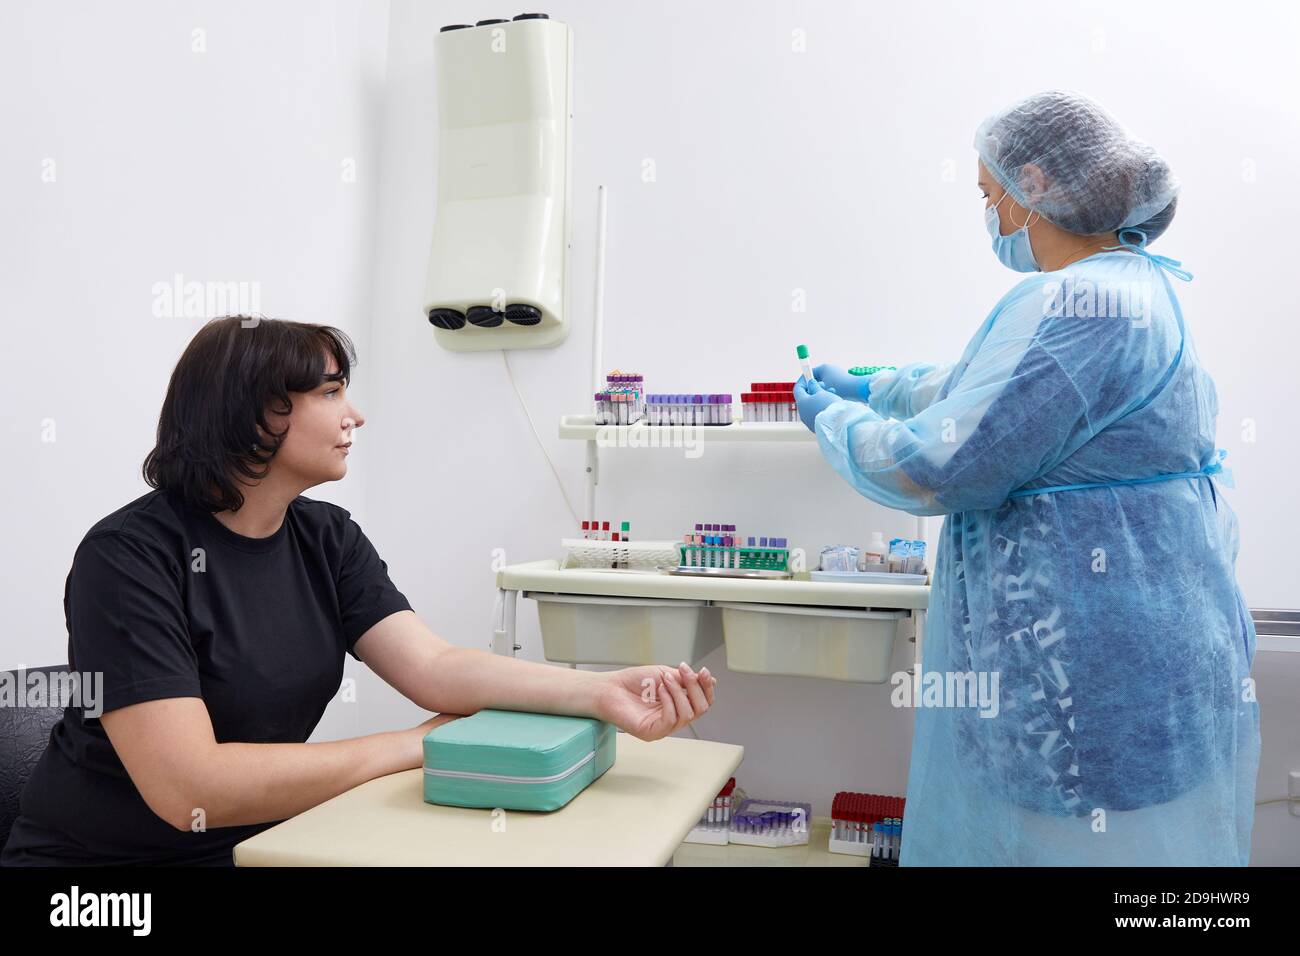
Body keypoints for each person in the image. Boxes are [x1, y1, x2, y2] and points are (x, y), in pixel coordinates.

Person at [2, 316, 716, 866]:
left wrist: (599, 693)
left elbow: (434, 669)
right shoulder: (129, 557)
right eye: (331, 391)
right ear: (255, 414)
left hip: (264, 848)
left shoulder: (324, 537)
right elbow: (192, 787)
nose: (355, 414)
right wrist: (411, 748)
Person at [794, 90, 1259, 866]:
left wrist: (838, 425)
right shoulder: (1135, 288)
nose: (988, 213)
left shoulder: (1085, 301)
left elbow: (940, 466)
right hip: (1147, 656)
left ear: (1034, 184)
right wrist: (882, 387)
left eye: (988, 193)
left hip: (1080, 678)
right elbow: (1004, 389)